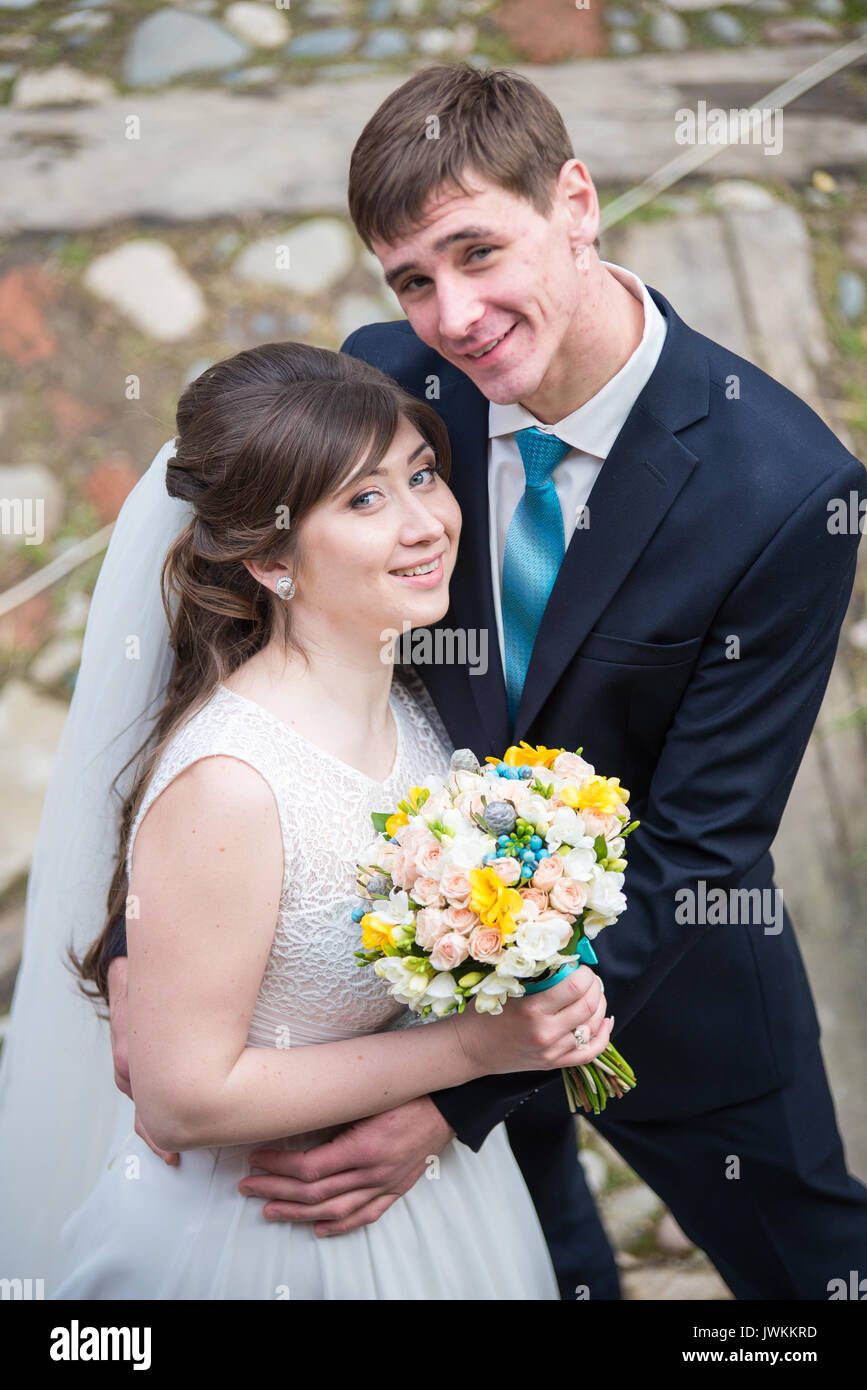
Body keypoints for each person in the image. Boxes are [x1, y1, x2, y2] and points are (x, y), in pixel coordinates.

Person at [138, 64, 864, 1301]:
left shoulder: (788, 490)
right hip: (392, 985)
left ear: (575, 200)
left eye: (479, 250)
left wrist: (461, 1092)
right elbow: (255, 630)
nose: (454, 314)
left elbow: (702, 847)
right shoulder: (392, 386)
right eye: (412, 277)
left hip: (669, 997)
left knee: (810, 1266)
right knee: (536, 1268)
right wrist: (148, 953)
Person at [46, 342, 611, 1299]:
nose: (426, 523)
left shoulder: (421, 707)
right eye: (364, 500)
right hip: (262, 1230)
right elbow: (184, 1097)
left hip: (436, 1202)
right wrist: (478, 1048)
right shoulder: (232, 783)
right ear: (270, 558)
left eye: (422, 475)